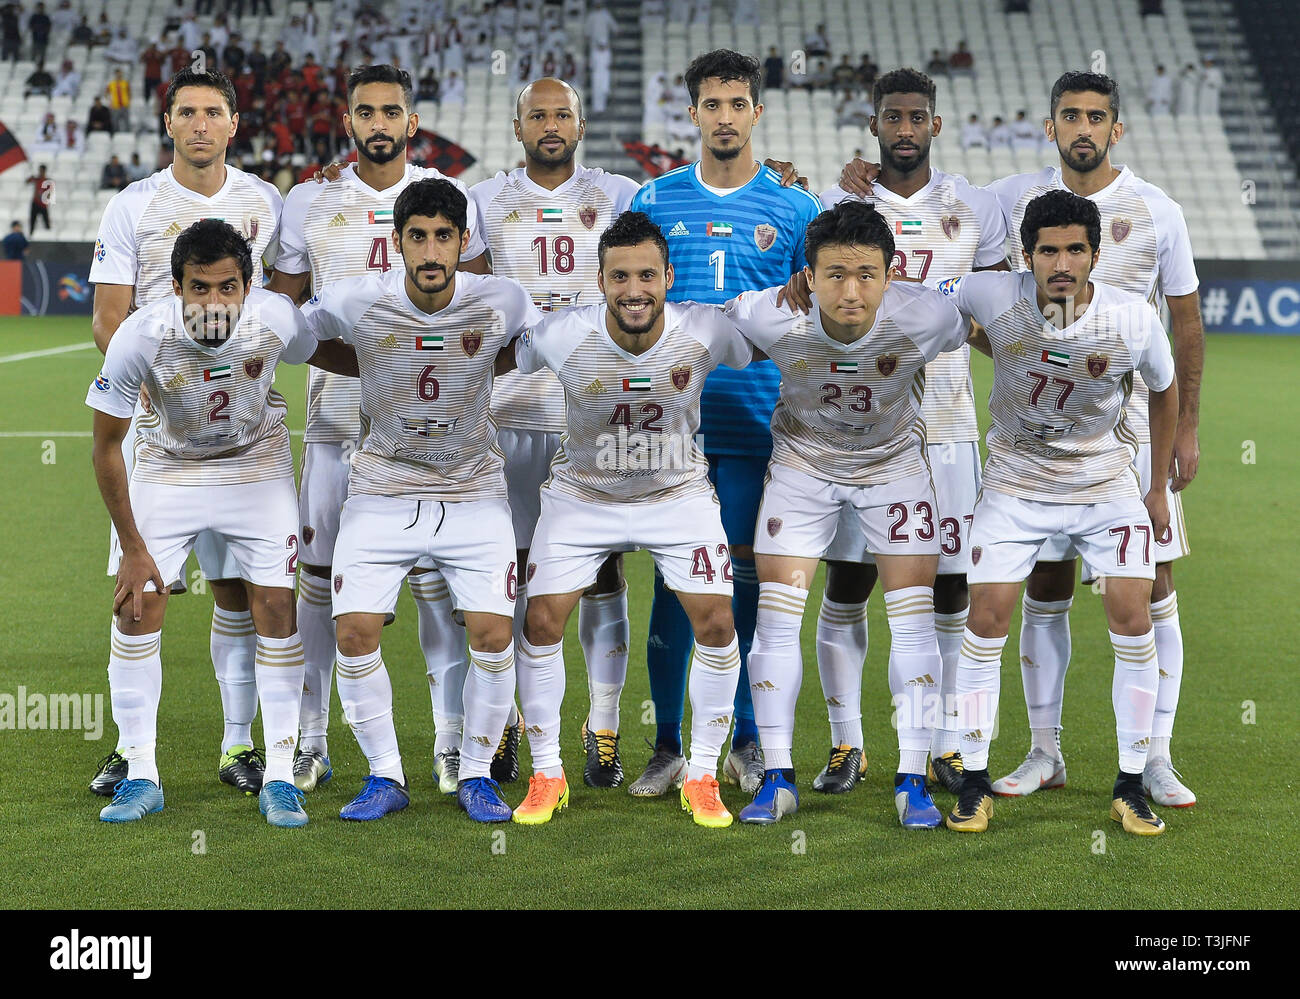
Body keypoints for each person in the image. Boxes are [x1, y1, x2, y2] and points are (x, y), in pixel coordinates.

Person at [836, 72, 1204, 808]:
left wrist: (1181, 438)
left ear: (1116, 128)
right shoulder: (1006, 198)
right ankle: (1044, 751)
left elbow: (1184, 326)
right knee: (1041, 589)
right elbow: (939, 220)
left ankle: (1154, 757)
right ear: (1051, 124)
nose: (1083, 127)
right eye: (1070, 114)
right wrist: (869, 182)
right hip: (1032, 441)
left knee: (1151, 593)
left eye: (1097, 116)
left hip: (1124, 437)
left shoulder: (1157, 211)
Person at [85, 218, 356, 827]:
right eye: (199, 288)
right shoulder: (141, 335)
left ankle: (282, 776)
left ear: (249, 284)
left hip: (253, 470)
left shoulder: (277, 318)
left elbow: (330, 354)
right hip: (169, 468)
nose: (213, 302)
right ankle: (140, 773)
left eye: (226, 287)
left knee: (276, 611)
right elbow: (105, 447)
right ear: (176, 287)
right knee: (137, 605)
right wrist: (131, 547)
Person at [268, 64, 489, 795]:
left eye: (391, 110)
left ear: (411, 120)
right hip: (335, 422)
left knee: (435, 584)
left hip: (431, 432)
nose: (378, 123)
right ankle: (311, 736)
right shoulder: (310, 198)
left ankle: (451, 745)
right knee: (320, 582)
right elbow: (282, 308)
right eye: (365, 111)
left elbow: (479, 305)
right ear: (349, 119)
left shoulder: (448, 199)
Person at [937, 189, 1177, 837]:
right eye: (1049, 250)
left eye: (1076, 248)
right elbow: (928, 297)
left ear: (1096, 254)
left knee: (1132, 614)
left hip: (1105, 483)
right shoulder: (991, 294)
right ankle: (976, 778)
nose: (1062, 262)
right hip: (1015, 483)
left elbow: (1164, 385)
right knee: (984, 616)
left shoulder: (1130, 318)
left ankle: (1131, 783)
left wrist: (1156, 488)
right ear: (1027, 254)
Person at [303, 179, 541, 824]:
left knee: (493, 635)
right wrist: (372, 363)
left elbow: (533, 348)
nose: (431, 251)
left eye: (444, 237)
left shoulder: (502, 299)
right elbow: (300, 338)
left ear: (465, 242)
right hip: (380, 489)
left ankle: (476, 774)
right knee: (353, 633)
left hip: (473, 491)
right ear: (397, 243)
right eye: (417, 237)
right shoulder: (357, 299)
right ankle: (384, 776)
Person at [504, 211, 753, 827]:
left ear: (669, 276)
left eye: (647, 275)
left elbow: (762, 342)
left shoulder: (707, 329)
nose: (634, 290)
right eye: (620, 277)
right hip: (582, 496)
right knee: (540, 622)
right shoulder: (561, 334)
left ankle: (700, 775)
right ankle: (547, 775)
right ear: (600, 280)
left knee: (718, 623)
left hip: (678, 496)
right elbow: (501, 358)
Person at [732, 202, 975, 829]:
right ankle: (777, 777)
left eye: (867, 274)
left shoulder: (928, 316)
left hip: (892, 467)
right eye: (834, 274)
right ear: (807, 275)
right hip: (803, 468)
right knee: (776, 622)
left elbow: (976, 322)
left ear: (890, 273)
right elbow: (713, 339)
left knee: (914, 623)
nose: (851, 291)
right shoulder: (768, 314)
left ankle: (912, 778)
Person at [87, 68, 286, 799]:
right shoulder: (133, 206)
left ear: (234, 124)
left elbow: (284, 297)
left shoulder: (265, 200)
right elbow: (110, 313)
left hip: (242, 436)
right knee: (139, 593)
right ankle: (130, 749)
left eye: (213, 112)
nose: (200, 123)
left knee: (237, 589)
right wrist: (146, 375)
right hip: (159, 430)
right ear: (167, 122)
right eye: (187, 112)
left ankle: (240, 744)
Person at [627, 49, 821, 799]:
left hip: (755, 426)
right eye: (712, 103)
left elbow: (814, 308)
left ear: (756, 113)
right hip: (669, 429)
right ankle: (667, 743)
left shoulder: (793, 208)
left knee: (743, 577)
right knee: (671, 582)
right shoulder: (654, 198)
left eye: (738, 103)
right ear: (694, 114)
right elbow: (628, 300)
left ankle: (743, 736)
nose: (725, 116)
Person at [468, 78, 640, 792]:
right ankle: (508, 722)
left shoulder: (624, 194)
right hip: (508, 415)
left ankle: (602, 727)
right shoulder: (484, 200)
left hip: (592, 418)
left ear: (580, 122)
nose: (550, 123)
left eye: (561, 113)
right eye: (537, 114)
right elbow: (470, 303)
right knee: (506, 575)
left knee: (602, 576)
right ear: (517, 125)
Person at [26, 165, 53, 233]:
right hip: (35, 202)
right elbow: (27, 181)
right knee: (32, 221)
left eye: (41, 171)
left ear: (44, 171)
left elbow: (49, 193)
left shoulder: (47, 181)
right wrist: (31, 177)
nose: (40, 172)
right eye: (39, 170)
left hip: (43, 204)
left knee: (46, 222)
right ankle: (31, 234)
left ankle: (49, 234)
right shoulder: (36, 179)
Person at [107, 69, 132, 134]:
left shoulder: (125, 83)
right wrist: (110, 102)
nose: (119, 75)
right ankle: (115, 135)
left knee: (126, 122)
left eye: (120, 74)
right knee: (115, 122)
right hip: (115, 106)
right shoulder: (111, 84)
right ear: (115, 74)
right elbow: (107, 94)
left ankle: (127, 135)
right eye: (117, 74)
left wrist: (128, 102)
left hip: (124, 105)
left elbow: (129, 93)